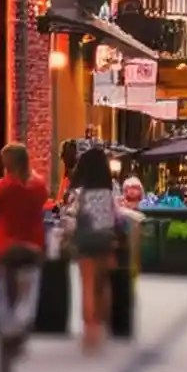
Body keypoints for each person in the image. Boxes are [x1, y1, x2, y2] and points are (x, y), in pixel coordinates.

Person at [0, 143, 50, 358]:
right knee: (28, 293)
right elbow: (43, 200)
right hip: (32, 245)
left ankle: (8, 330)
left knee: (3, 292)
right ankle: (21, 327)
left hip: (6, 245)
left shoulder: (1, 188)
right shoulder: (38, 186)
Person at [63, 148, 118, 354]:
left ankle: (90, 331)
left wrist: (68, 237)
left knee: (87, 285)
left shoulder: (78, 192)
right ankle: (102, 327)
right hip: (104, 239)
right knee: (102, 284)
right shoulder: (108, 193)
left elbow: (69, 218)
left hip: (85, 241)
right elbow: (112, 218)